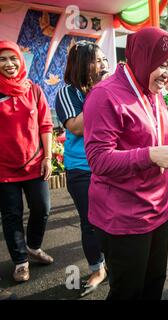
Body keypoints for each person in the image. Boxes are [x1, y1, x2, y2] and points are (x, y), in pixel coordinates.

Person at [83, 27, 168, 300]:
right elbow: (99, 159)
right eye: (162, 63)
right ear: (143, 57)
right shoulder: (105, 94)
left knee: (154, 283)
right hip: (123, 217)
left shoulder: (153, 91)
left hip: (159, 209)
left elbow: (151, 138)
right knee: (128, 292)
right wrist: (152, 155)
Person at [54, 40, 109, 297]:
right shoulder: (68, 93)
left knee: (115, 219)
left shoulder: (109, 88)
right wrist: (100, 91)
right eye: (95, 60)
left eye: (102, 59)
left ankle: (115, 262)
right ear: (80, 64)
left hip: (111, 163)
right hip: (83, 169)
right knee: (91, 223)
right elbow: (76, 126)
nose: (101, 65)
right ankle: (97, 268)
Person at [0, 40, 54, 283]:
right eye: (2, 59)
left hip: (34, 162)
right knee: (11, 215)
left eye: (12, 58)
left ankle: (33, 246)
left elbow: (45, 125)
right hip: (3, 168)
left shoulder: (33, 89)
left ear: (20, 61)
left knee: (42, 208)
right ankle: (21, 261)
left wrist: (49, 157)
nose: (9, 64)